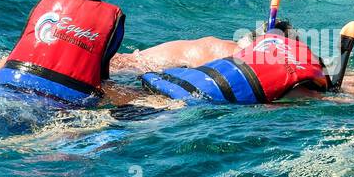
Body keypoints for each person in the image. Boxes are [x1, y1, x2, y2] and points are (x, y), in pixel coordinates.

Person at [133, 18, 334, 105]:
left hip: (174, 86)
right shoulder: (303, 79)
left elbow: (129, 62)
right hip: (203, 104)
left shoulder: (213, 46)